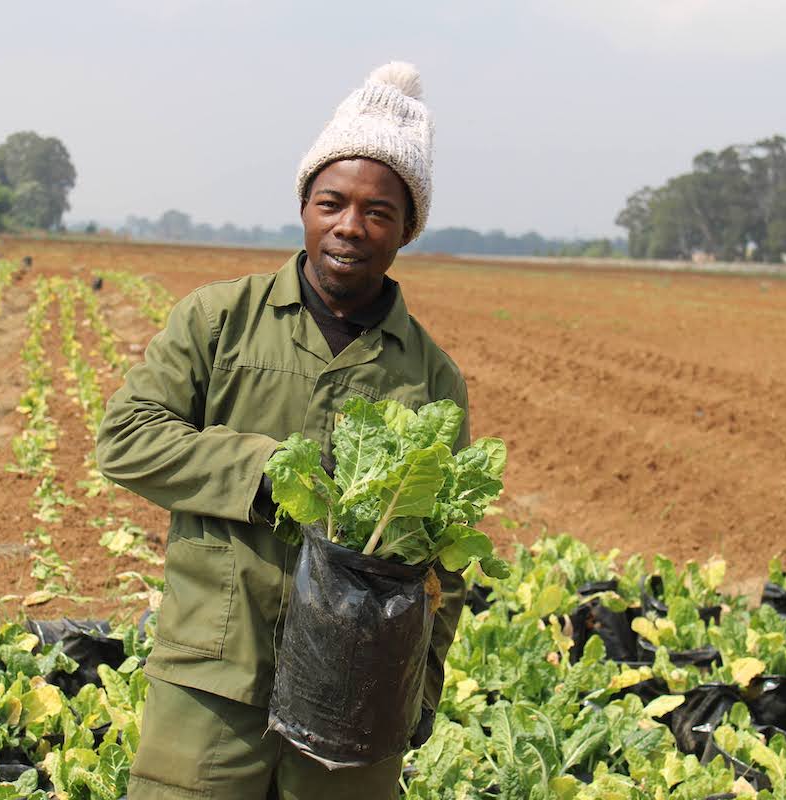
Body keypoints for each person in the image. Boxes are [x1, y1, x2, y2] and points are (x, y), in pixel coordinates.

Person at [96, 61, 467, 799]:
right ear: (305, 204)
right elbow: (127, 439)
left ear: (407, 230)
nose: (350, 228)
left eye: (379, 213)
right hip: (213, 677)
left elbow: (440, 567)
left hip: (356, 701)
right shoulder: (218, 320)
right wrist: (264, 473)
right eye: (332, 202)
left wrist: (416, 689)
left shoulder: (431, 379)